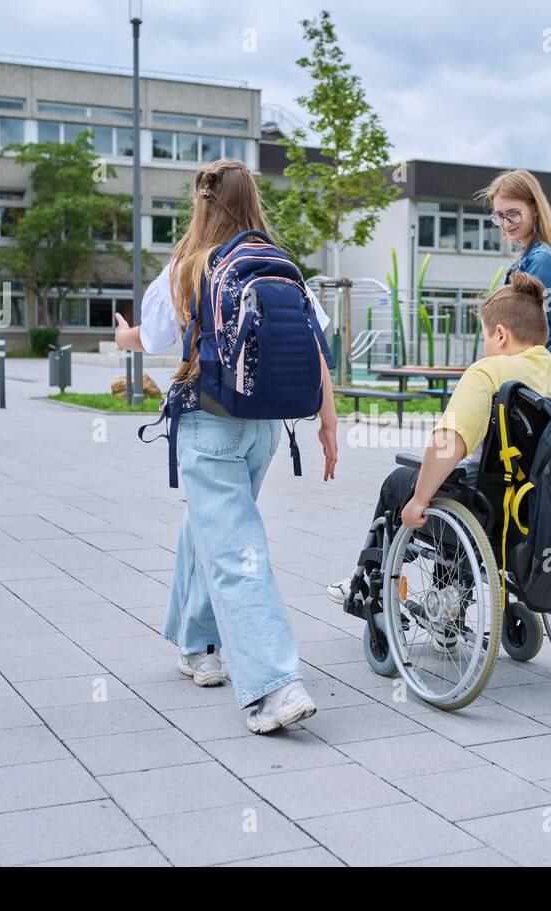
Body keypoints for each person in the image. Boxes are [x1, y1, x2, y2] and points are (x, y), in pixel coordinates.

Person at [114, 158, 338, 735]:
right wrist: (328, 423)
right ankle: (196, 644)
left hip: (208, 421)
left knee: (235, 550)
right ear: (253, 202)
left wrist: (125, 338)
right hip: (265, 427)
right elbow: (319, 341)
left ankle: (272, 687)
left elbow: (155, 337)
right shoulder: (282, 266)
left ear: (202, 202)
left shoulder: (186, 267)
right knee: (211, 528)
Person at [327, 271, 551, 603]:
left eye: (485, 337)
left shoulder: (489, 373)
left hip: (495, 518)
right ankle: (450, 597)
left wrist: (418, 500)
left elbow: (450, 442)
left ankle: (368, 585)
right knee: (460, 486)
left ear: (500, 334)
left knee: (402, 485)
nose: (486, 346)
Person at [477, 169, 551, 363]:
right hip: (545, 357)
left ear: (535, 209)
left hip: (544, 360)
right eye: (499, 216)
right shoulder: (532, 255)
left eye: (513, 214)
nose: (505, 223)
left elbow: (522, 320)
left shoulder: (541, 258)